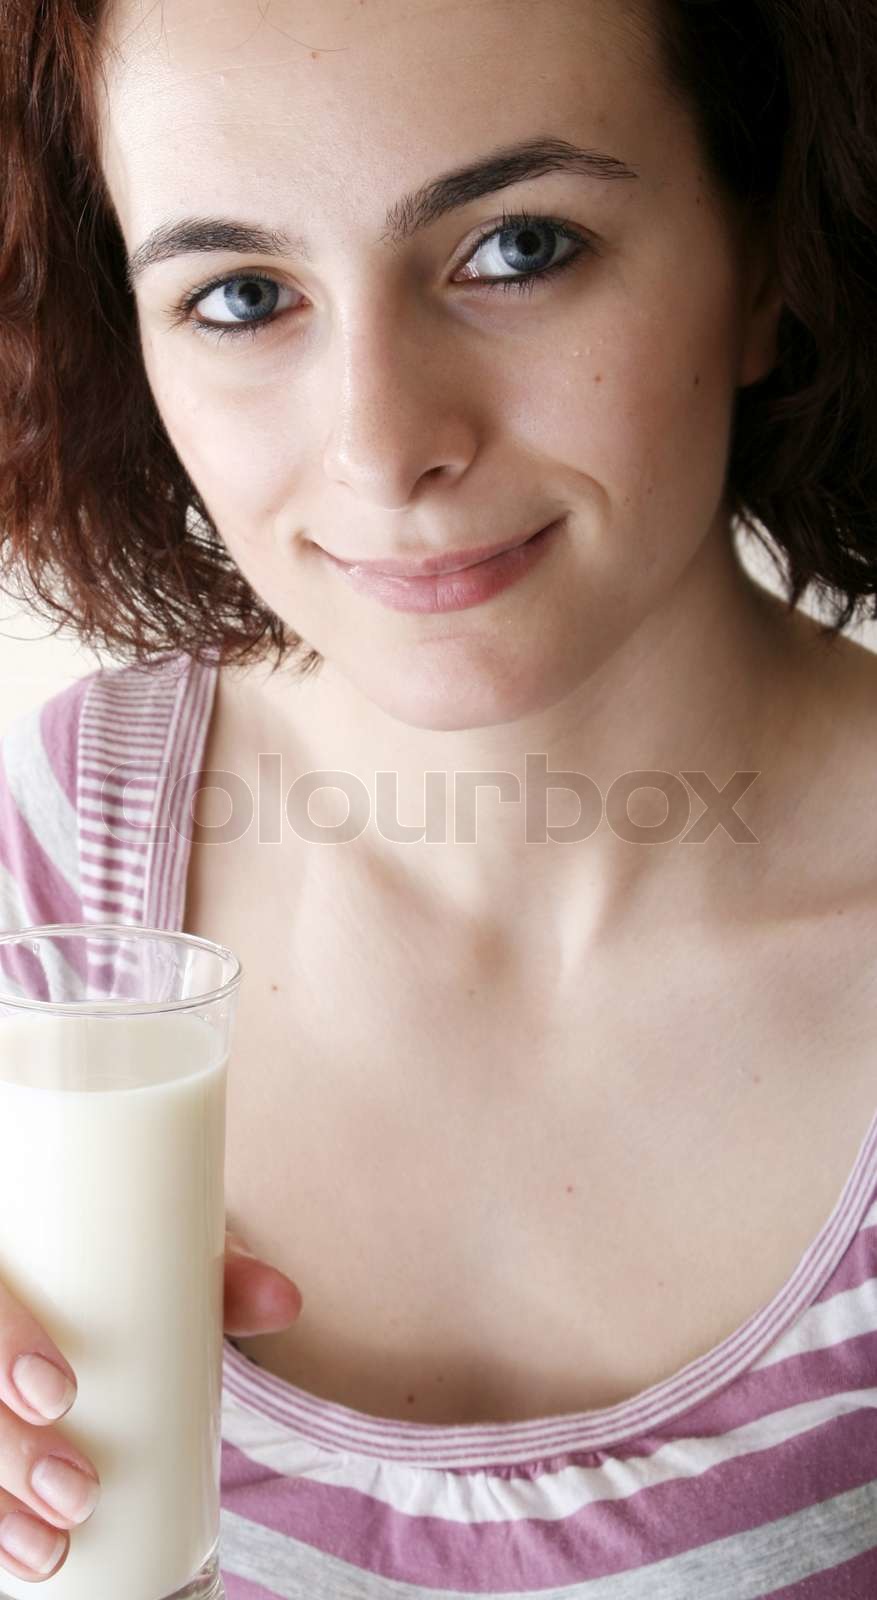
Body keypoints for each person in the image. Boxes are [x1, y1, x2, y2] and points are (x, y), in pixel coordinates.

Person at [0, 0, 876, 1591]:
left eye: (519, 247)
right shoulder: (43, 869)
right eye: (245, 294)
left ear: (762, 256)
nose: (381, 446)